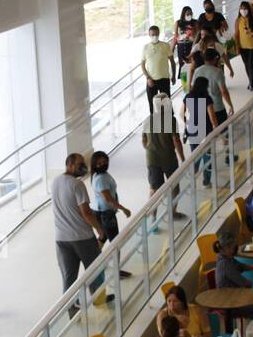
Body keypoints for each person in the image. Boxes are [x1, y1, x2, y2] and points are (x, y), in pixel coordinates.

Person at [51, 152, 114, 310]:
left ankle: (71, 309)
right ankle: (98, 299)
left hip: (61, 239)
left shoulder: (55, 182)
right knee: (96, 269)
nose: (83, 166)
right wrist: (100, 230)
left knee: (68, 277)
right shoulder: (77, 185)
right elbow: (85, 212)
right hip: (82, 238)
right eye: (79, 164)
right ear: (69, 165)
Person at [213, 230, 253, 320]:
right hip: (232, 303)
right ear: (227, 248)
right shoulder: (224, 264)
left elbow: (241, 266)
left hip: (237, 296)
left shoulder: (227, 258)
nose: (235, 249)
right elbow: (244, 283)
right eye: (233, 247)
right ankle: (248, 324)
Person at [142, 92, 186, 221]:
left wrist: (152, 150)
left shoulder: (148, 119)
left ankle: (153, 216)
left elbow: (144, 141)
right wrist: (183, 158)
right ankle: (173, 212)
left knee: (154, 188)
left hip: (152, 159)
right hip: (169, 158)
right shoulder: (170, 120)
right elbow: (176, 140)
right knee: (174, 185)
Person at [89, 151, 133, 279]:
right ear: (95, 164)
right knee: (115, 243)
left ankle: (94, 263)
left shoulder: (99, 175)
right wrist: (124, 209)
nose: (103, 164)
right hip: (106, 214)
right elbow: (108, 198)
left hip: (101, 211)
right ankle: (116, 271)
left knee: (102, 238)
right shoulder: (101, 178)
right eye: (99, 163)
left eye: (104, 161)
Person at [182, 75, 219, 187]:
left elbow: (181, 113)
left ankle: (193, 174)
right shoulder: (207, 98)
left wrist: (187, 123)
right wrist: (217, 129)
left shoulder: (188, 96)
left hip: (192, 130)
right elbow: (212, 118)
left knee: (195, 154)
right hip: (205, 131)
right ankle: (206, 181)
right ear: (205, 87)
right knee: (207, 157)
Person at [193, 47, 234, 126]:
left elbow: (193, 89)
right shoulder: (218, 72)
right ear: (215, 59)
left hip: (202, 108)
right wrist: (230, 105)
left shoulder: (197, 71)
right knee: (223, 131)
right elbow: (224, 92)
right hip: (217, 108)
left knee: (209, 134)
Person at [141, 24, 174, 114]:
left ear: (159, 34)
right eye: (152, 35)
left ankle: (169, 123)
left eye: (156, 34)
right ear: (149, 35)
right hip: (151, 80)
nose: (154, 36)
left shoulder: (165, 45)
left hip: (164, 79)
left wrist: (173, 75)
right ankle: (155, 123)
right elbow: (143, 65)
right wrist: (148, 78)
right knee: (152, 105)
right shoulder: (146, 47)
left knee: (166, 103)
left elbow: (172, 61)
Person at [235, 0, 253, 91]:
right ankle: (250, 81)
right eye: (241, 8)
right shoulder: (238, 21)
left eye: (245, 8)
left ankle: (252, 83)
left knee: (251, 64)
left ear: (248, 9)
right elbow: (236, 35)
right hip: (242, 46)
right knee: (246, 65)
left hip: (252, 46)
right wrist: (237, 47)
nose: (243, 10)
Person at [173, 7, 197, 81]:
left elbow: (198, 35)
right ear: (183, 14)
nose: (189, 15)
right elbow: (176, 36)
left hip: (191, 45)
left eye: (190, 13)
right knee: (182, 65)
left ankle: (192, 83)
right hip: (181, 45)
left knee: (193, 64)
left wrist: (193, 33)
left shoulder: (195, 22)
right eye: (187, 14)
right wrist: (172, 48)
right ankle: (185, 85)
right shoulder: (178, 22)